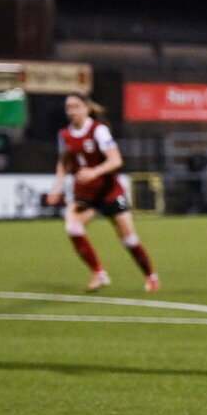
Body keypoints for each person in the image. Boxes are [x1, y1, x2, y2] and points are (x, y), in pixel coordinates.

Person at [48, 93, 159, 293]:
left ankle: (151, 276)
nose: (71, 111)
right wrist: (56, 188)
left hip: (110, 192)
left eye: (76, 106)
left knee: (129, 239)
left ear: (86, 108)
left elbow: (116, 160)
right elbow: (63, 163)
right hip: (85, 195)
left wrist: (94, 172)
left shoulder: (99, 131)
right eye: (68, 108)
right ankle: (99, 273)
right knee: (73, 227)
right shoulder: (64, 134)